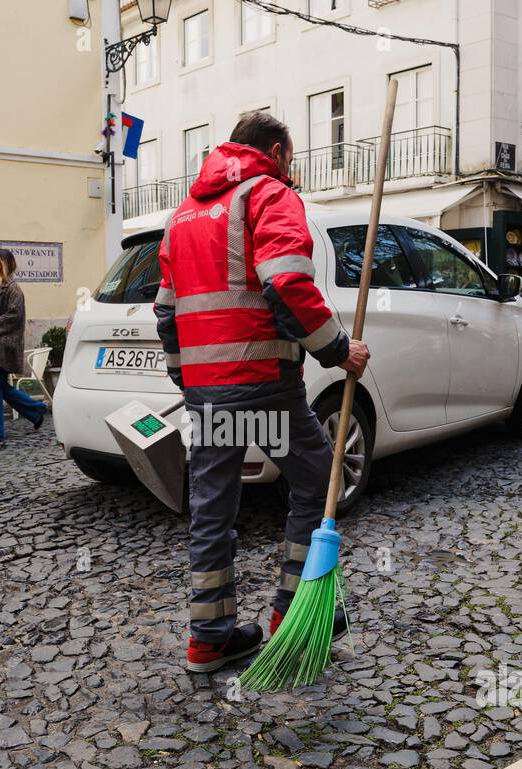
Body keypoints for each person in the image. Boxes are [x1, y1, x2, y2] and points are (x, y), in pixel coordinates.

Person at [155, 111, 370, 673]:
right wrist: (337, 349)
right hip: (263, 385)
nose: (291, 170)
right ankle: (292, 611)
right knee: (317, 480)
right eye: (291, 160)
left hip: (209, 393)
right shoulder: (269, 195)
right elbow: (286, 283)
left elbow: (166, 312)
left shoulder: (184, 216)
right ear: (275, 152)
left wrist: (189, 379)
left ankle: (210, 637)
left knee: (212, 507)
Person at [0, 249, 46, 440]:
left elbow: (15, 316)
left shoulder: (13, 289)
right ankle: (36, 410)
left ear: (2, 264)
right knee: (0, 387)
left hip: (4, 348)